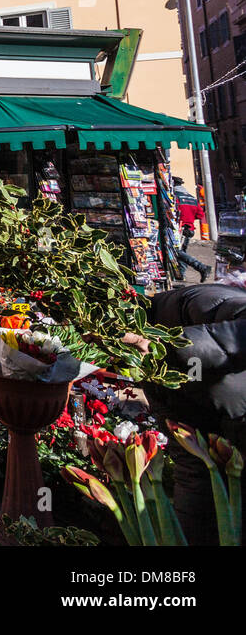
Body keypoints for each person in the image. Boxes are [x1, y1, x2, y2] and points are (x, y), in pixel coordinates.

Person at [143, 226, 246, 545]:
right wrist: (155, 348)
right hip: (181, 371)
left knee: (201, 470)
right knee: (198, 468)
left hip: (196, 381)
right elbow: (213, 345)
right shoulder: (225, 309)